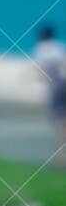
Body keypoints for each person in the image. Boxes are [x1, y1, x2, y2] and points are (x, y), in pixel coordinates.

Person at [33, 25, 66, 162]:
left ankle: (61, 155)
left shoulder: (41, 49)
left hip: (56, 87)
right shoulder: (59, 47)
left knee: (60, 121)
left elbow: (41, 70)